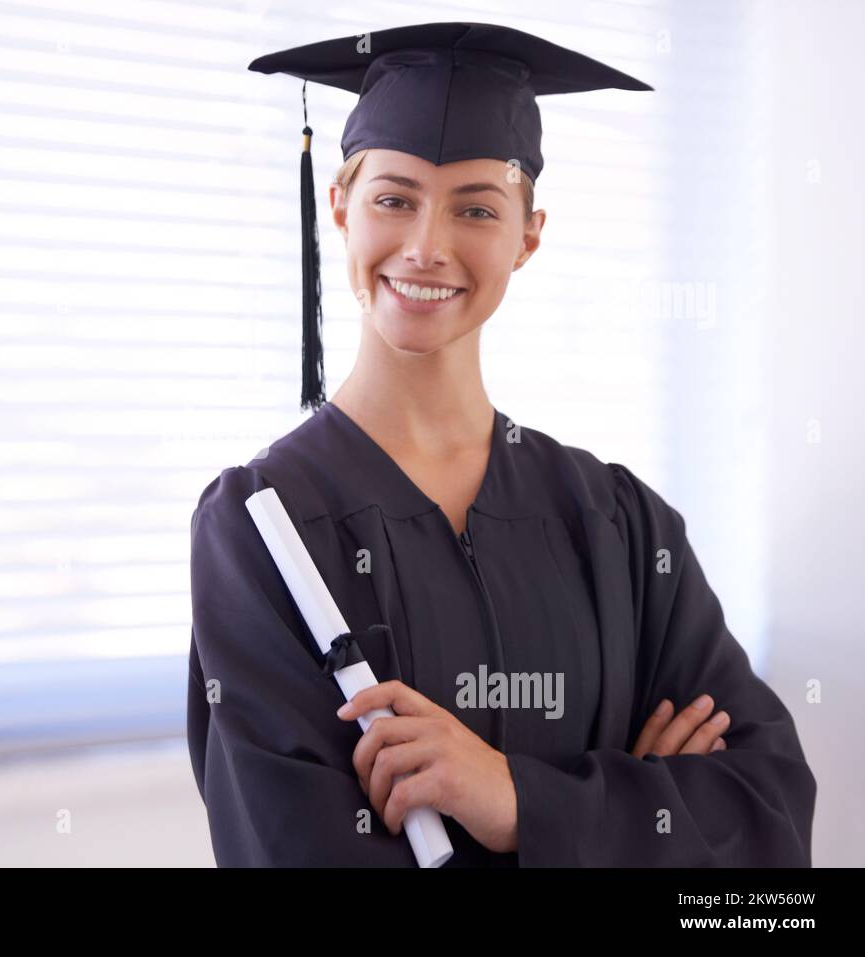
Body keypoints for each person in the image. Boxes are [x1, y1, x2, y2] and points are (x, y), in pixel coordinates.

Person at [185, 22, 816, 866]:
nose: (426, 246)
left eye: (476, 207)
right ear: (340, 206)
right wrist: (627, 812)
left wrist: (514, 798)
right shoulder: (261, 528)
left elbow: (766, 843)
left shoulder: (622, 526)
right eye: (394, 197)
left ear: (528, 234)